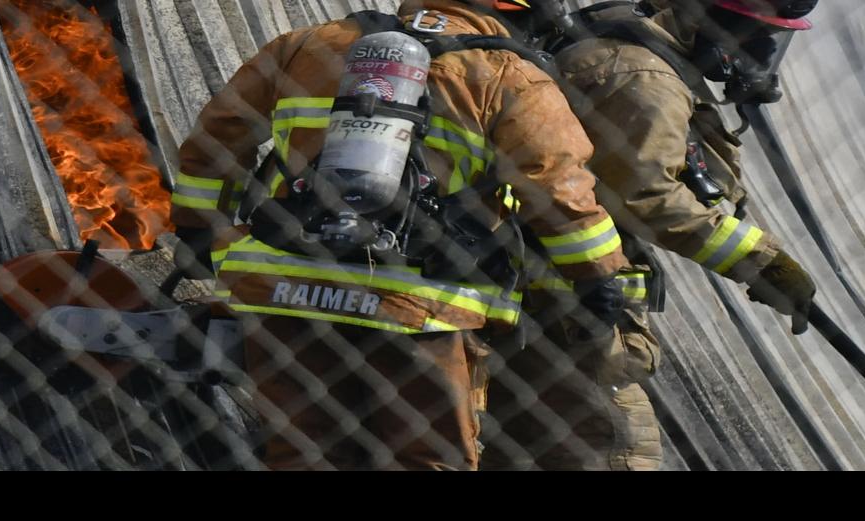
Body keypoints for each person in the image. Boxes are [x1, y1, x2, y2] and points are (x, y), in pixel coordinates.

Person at [168, 0, 633, 469]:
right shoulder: (505, 73)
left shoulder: (309, 44)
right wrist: (597, 276)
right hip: (421, 305)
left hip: (287, 286)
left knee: (303, 455)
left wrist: (197, 229)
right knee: (427, 458)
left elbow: (216, 139)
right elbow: (556, 187)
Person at [480, 0, 821, 471]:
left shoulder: (631, 46)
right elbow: (644, 195)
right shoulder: (643, 76)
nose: (761, 50)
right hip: (559, 304)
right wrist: (762, 262)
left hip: (548, 298)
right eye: (751, 32)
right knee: (620, 450)